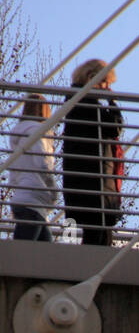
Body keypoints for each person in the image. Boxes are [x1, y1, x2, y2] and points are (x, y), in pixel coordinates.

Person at [61, 60, 123, 246]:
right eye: (105, 83)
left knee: (96, 235)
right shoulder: (87, 103)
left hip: (85, 181)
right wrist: (112, 101)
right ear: (91, 78)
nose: (106, 88)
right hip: (96, 184)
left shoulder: (75, 100)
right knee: (98, 237)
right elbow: (115, 127)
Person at [7, 94, 59, 241]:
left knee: (45, 257)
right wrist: (53, 190)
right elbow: (42, 164)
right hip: (34, 200)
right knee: (24, 254)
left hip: (24, 200)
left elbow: (13, 176)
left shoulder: (18, 135)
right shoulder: (38, 131)